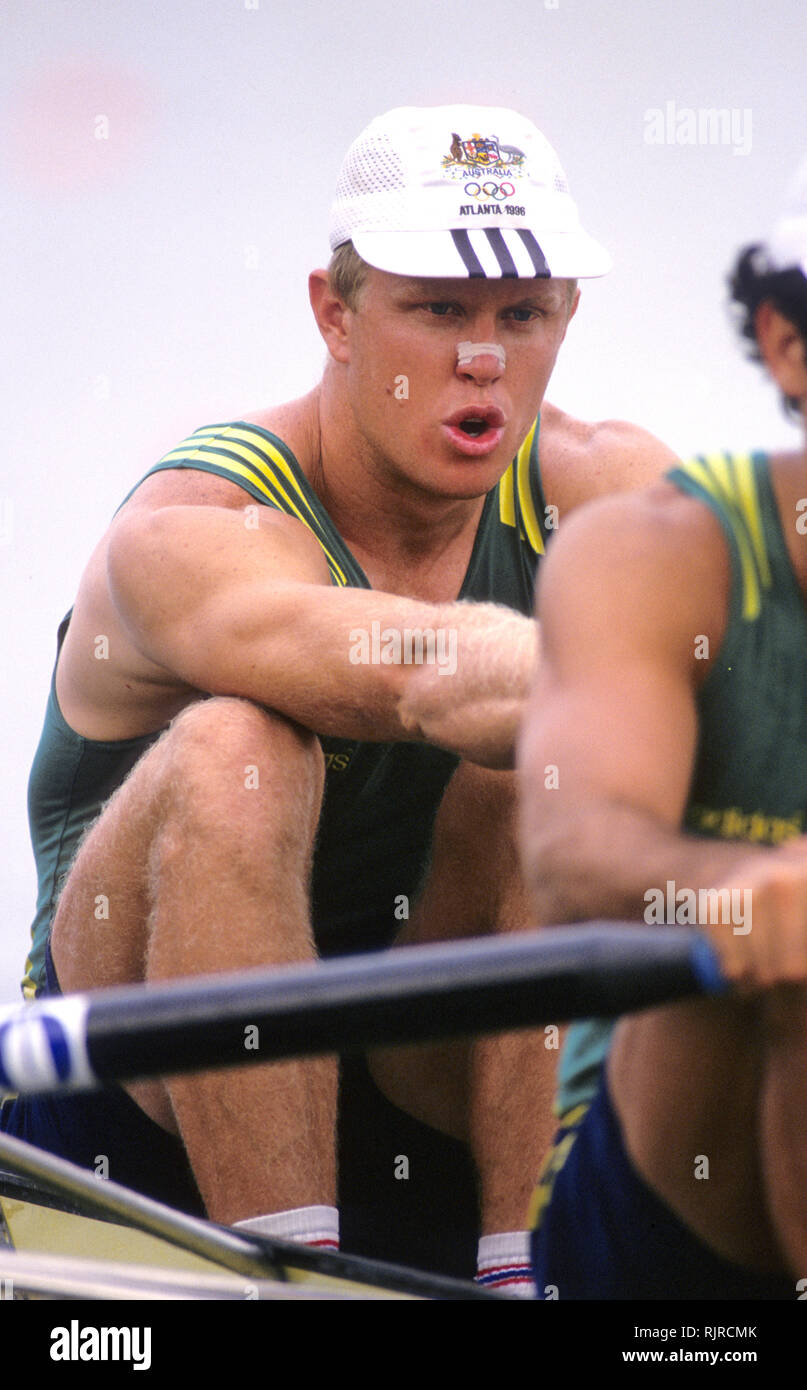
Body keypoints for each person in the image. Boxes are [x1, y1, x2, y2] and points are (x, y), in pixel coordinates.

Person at [1, 104, 676, 1289]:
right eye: (439, 309)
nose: (483, 358)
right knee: (234, 743)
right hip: (134, 1125)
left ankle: (535, 1268)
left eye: (522, 314)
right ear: (335, 312)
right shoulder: (196, 525)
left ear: (568, 314)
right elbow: (408, 672)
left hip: (430, 1100)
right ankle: (299, 1277)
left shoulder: (610, 485)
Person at [518, 157, 807, 1299]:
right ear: (788, 346)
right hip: (653, 1222)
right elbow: (570, 854)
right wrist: (750, 890)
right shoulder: (659, 556)